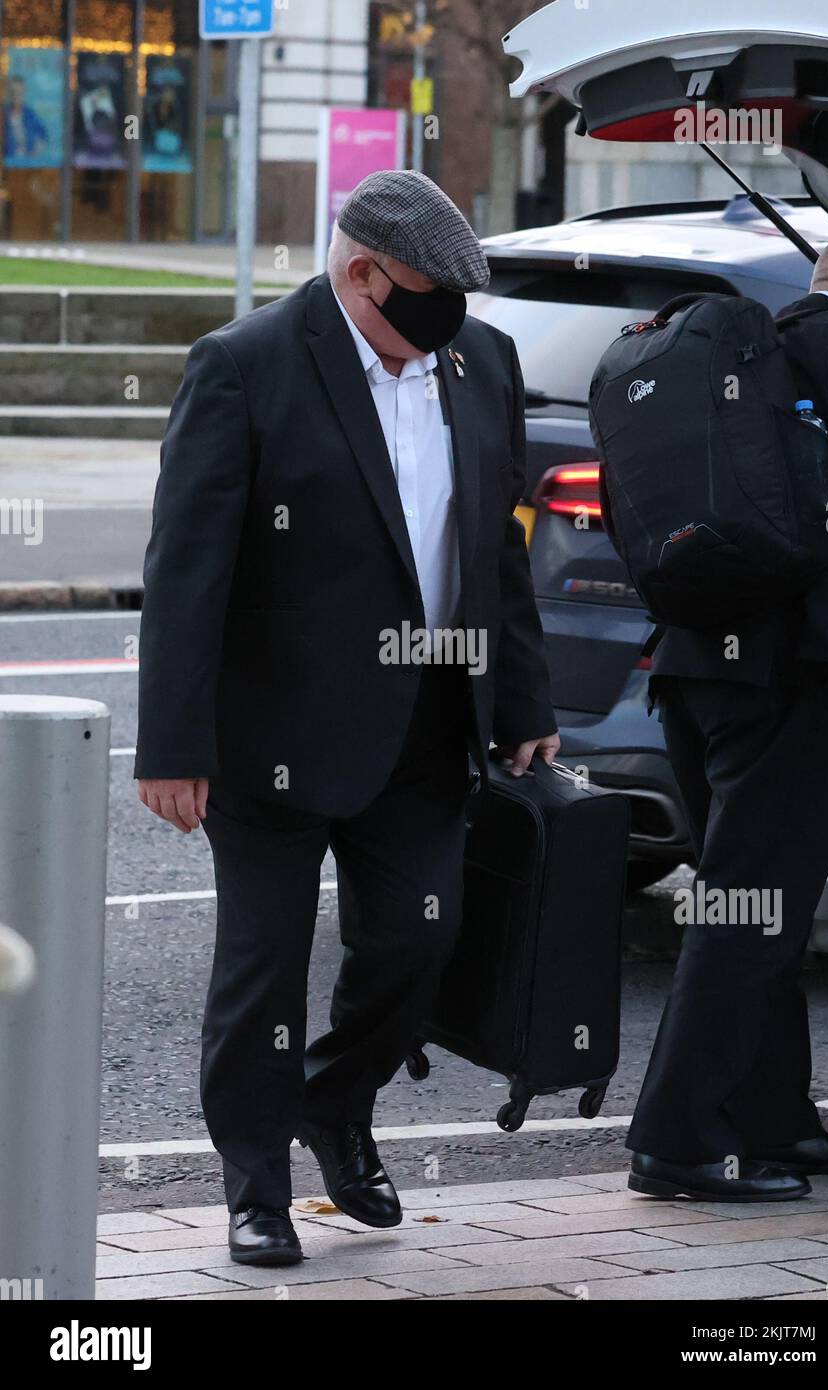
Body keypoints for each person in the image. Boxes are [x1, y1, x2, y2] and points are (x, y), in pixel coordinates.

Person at [134, 170, 558, 1265]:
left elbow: (493, 550)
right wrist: (172, 745)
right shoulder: (245, 365)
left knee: (420, 938)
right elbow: (186, 570)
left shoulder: (482, 363)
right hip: (266, 734)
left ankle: (333, 1099)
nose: (442, 327)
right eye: (423, 301)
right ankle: (256, 1189)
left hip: (423, 723)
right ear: (360, 274)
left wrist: (520, 698)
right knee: (260, 971)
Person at [628, 230, 828, 1202]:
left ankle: (772, 1121)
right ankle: (673, 1142)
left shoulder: (755, 351)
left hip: (694, 669)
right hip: (798, 680)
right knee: (747, 910)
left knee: (759, 905)